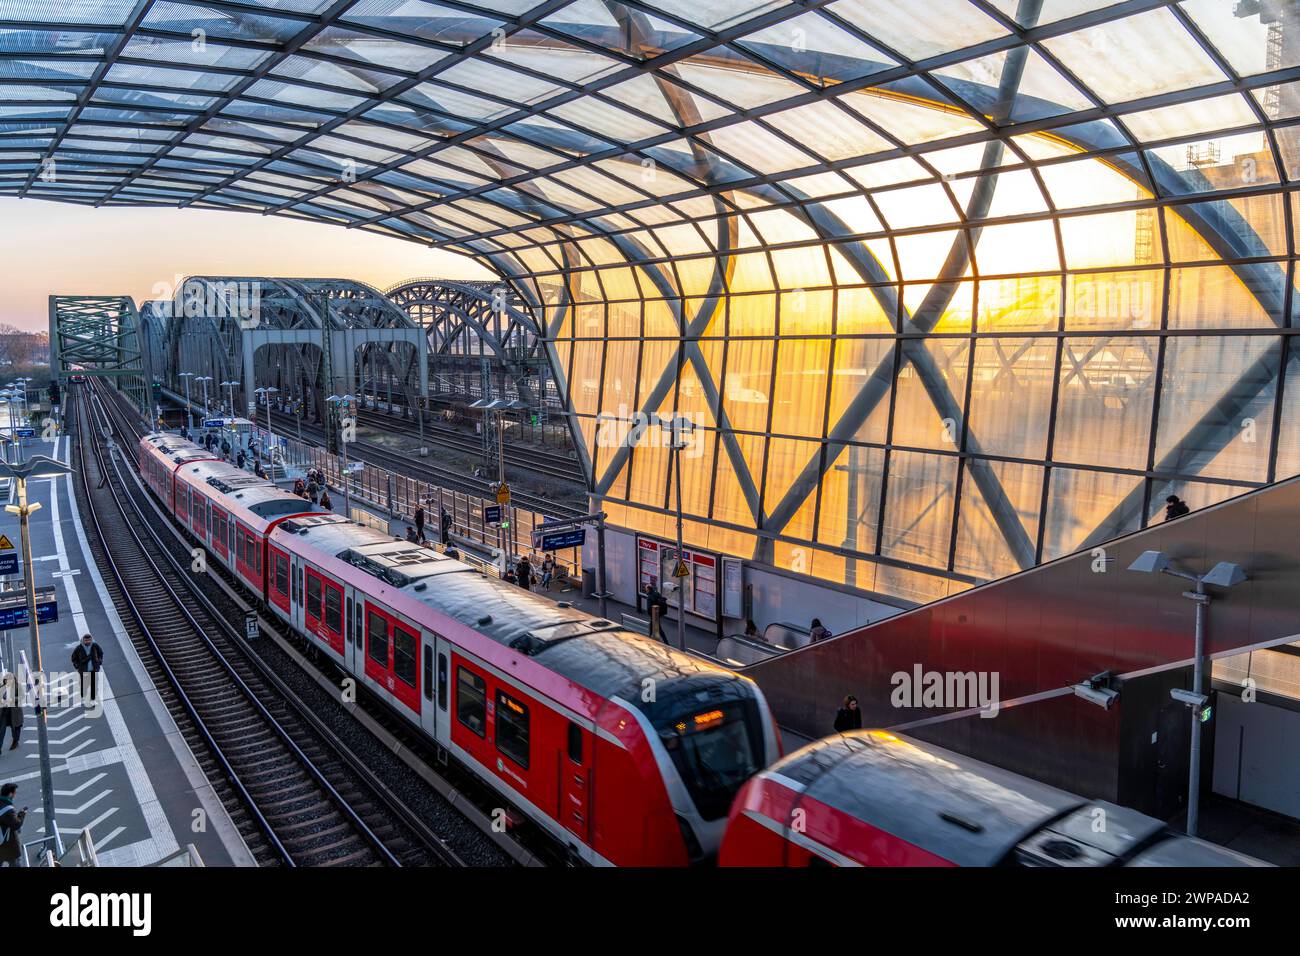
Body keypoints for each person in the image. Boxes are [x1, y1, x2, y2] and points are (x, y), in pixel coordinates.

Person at [71, 633, 105, 701]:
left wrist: (100, 661)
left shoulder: (95, 646)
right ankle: (83, 695)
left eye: (89, 640)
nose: (88, 641)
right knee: (84, 685)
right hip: (84, 671)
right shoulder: (79, 648)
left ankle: (93, 698)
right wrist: (77, 666)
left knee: (94, 685)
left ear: (91, 640)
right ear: (83, 640)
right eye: (86, 640)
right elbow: (73, 658)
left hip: (94, 670)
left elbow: (101, 653)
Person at [0, 783, 26, 867]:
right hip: (9, 845)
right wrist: (22, 815)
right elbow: (16, 825)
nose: (15, 795)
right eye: (15, 793)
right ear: (10, 794)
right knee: (15, 864)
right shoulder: (8, 809)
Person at [0, 673, 22, 751]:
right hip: (4, 712)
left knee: (15, 728)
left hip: (14, 712)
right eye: (6, 680)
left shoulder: (17, 687)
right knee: (1, 730)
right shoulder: (2, 687)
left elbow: (22, 696)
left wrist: (12, 699)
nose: (8, 682)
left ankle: (15, 742)